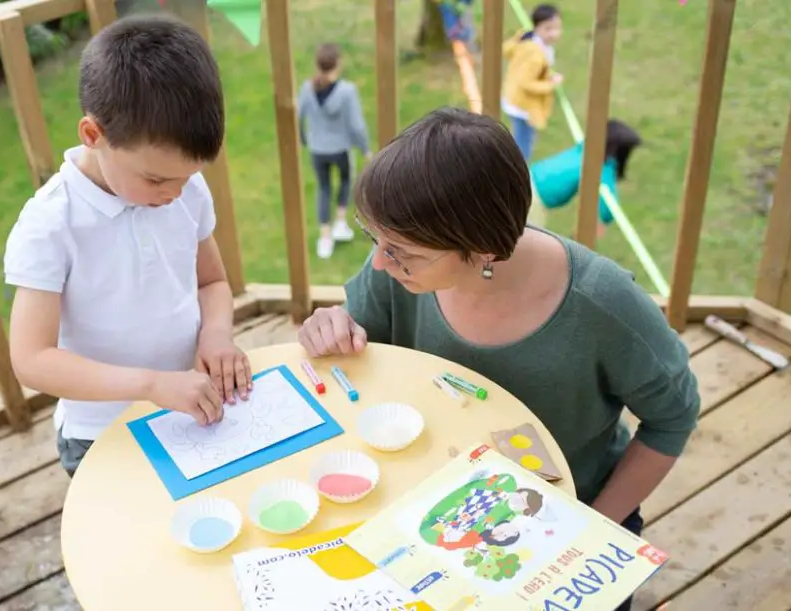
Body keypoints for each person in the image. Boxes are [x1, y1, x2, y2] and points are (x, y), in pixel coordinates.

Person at [296, 108, 699, 611]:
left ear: (483, 248)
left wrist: (592, 527)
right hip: (433, 513)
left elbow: (673, 417)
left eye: (401, 251)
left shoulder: (605, 305)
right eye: (374, 238)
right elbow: (359, 346)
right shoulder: (399, 266)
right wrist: (331, 326)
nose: (379, 261)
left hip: (570, 517)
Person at [3, 14, 252, 478]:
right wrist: (150, 384)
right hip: (102, 434)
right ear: (93, 135)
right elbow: (31, 360)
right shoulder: (51, 225)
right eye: (157, 178)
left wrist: (216, 333)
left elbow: (213, 281)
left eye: (188, 177)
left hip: (189, 409)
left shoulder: (184, 191)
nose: (176, 193)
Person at [297, 42, 372, 260]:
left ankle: (325, 239)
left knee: (323, 188)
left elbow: (299, 116)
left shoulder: (306, 88)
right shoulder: (347, 92)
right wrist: (365, 149)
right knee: (346, 180)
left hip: (317, 149)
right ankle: (340, 222)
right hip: (340, 150)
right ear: (338, 64)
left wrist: (303, 139)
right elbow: (356, 126)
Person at [530, 118, 644, 238]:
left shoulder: (584, 148)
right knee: (529, 246)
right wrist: (603, 221)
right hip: (533, 199)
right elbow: (608, 206)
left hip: (526, 178)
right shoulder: (598, 165)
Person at [501, 3, 564, 161]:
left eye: (556, 28)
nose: (554, 33)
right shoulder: (535, 55)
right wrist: (550, 84)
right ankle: (516, 174)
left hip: (514, 99)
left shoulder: (530, 40)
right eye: (548, 29)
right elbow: (526, 83)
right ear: (537, 28)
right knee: (524, 146)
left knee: (522, 140)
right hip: (522, 106)